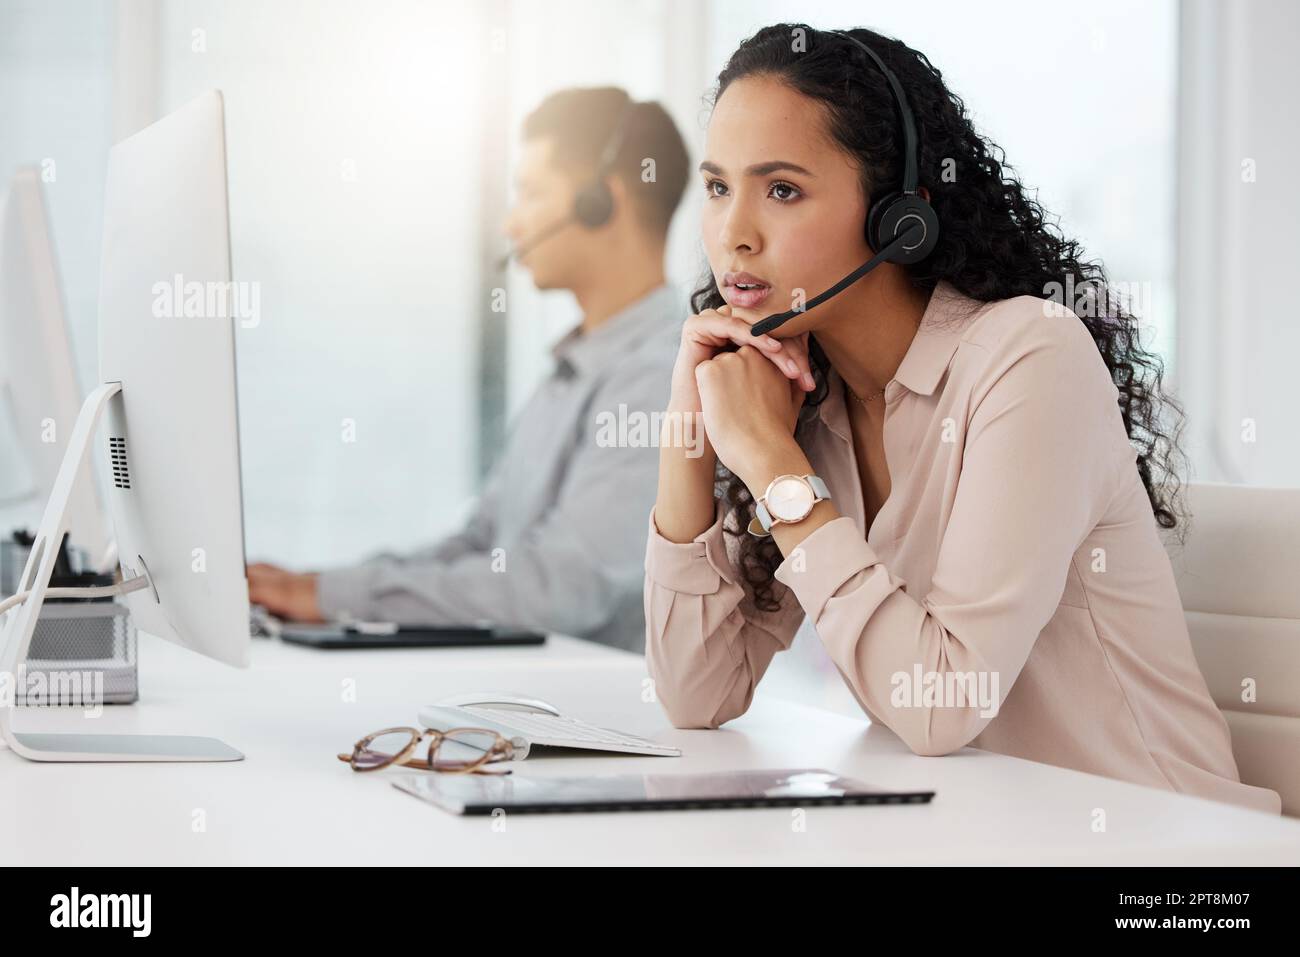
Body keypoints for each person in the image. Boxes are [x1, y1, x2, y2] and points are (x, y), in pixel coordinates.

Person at [644, 24, 1281, 814]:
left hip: (1158, 845)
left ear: (898, 218)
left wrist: (773, 467)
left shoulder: (1027, 358)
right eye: (716, 187)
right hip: (971, 831)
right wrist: (690, 419)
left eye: (782, 190)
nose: (732, 233)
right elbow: (694, 692)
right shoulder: (802, 395)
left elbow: (941, 703)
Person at [250, 86, 690, 653]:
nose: (511, 225)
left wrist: (335, 597)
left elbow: (562, 588)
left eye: (529, 193)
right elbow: (482, 543)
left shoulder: (658, 376)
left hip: (597, 720)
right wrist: (319, 589)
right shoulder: (576, 365)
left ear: (598, 201)